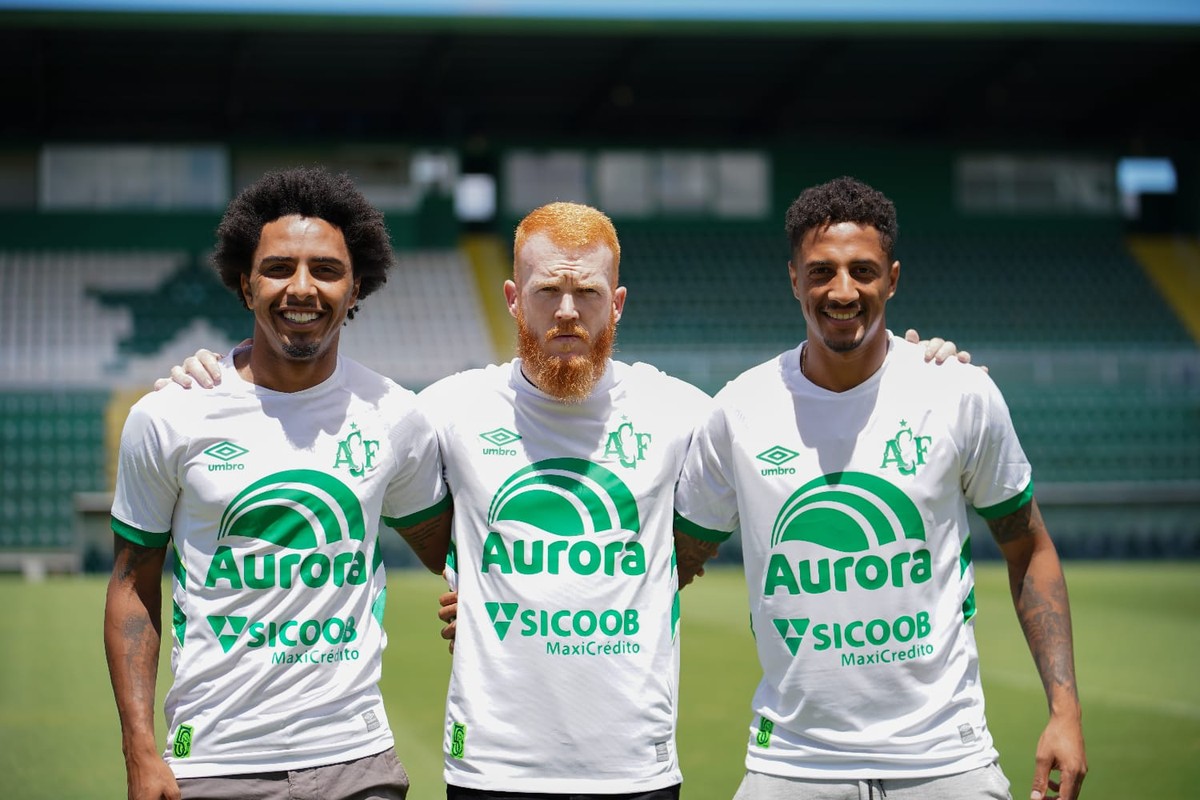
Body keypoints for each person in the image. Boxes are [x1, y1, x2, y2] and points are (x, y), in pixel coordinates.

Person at [161, 200, 970, 799]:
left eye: (588, 295)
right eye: (548, 292)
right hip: (491, 769)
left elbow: (696, 535)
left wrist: (920, 359)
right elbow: (340, 424)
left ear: (617, 305)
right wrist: (221, 367)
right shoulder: (440, 410)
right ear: (514, 300)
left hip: (638, 771)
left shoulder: (691, 413)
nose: (568, 313)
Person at [672, 176, 1087, 800]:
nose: (843, 291)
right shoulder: (739, 410)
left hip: (947, 763)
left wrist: (1065, 713)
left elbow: (1029, 549)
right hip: (792, 766)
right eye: (821, 272)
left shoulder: (956, 391)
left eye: (862, 271)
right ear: (793, 280)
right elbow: (666, 563)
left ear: (892, 278)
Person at [104, 166, 452, 800]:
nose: (301, 288)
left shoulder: (396, 416)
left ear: (356, 290)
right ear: (245, 283)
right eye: (278, 268)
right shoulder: (171, 414)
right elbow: (132, 583)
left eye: (325, 270)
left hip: (357, 760)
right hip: (211, 760)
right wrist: (140, 750)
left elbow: (453, 549)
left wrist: (472, 596)